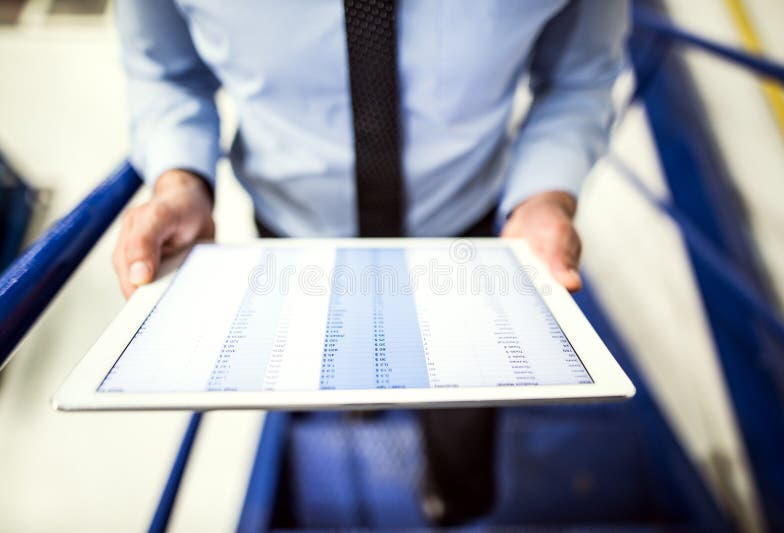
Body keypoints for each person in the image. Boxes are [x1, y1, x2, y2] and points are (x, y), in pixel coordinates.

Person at [112, 0, 628, 525]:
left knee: (463, 409)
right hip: (291, 235)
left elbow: (579, 77)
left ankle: (456, 501)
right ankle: (360, 406)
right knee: (330, 367)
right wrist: (181, 180)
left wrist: (545, 196)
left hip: (462, 228)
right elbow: (165, 73)